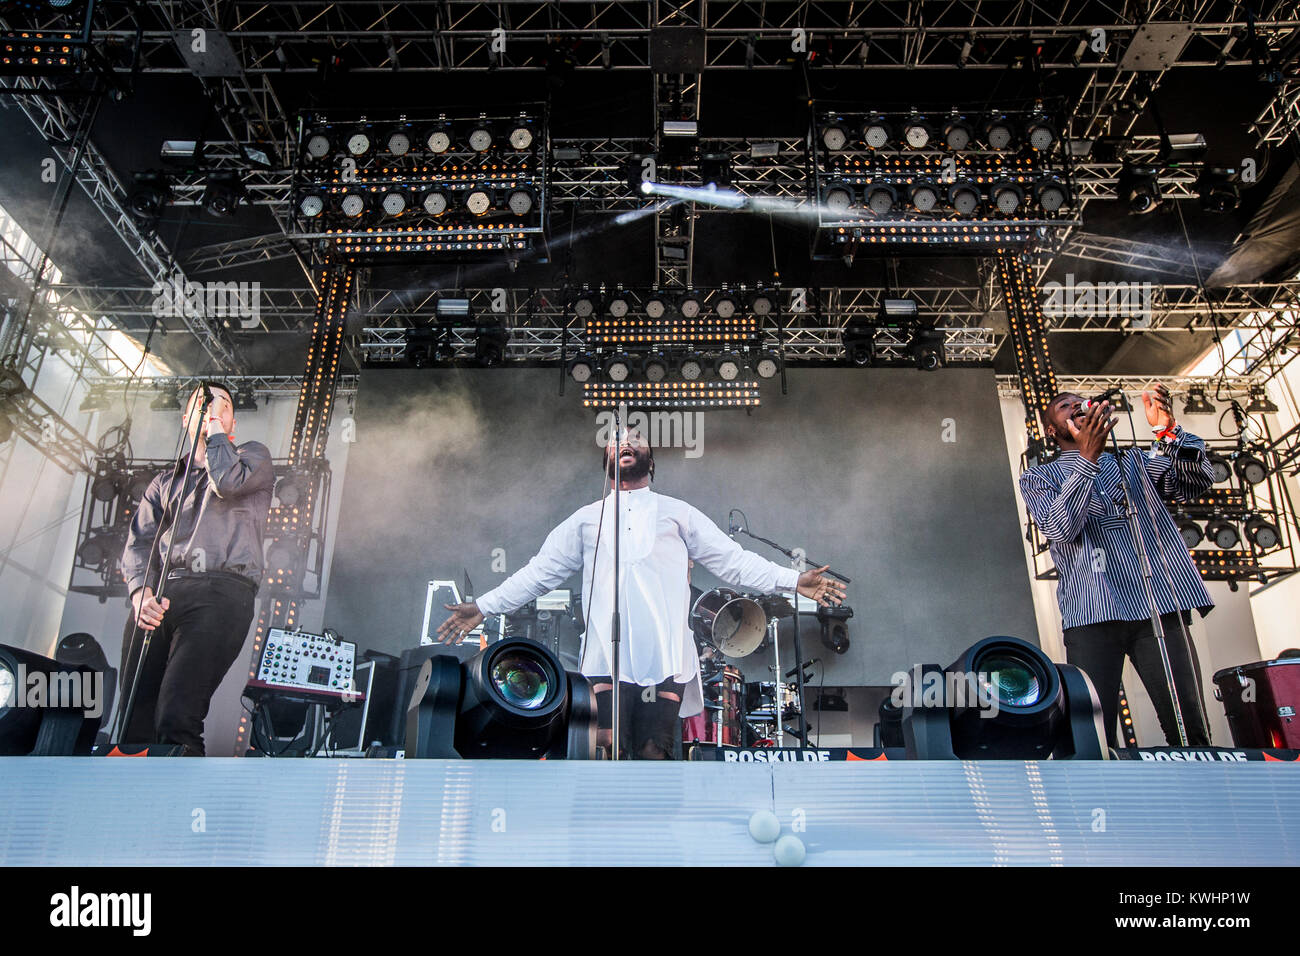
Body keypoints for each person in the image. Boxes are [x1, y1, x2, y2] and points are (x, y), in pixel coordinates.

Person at [438, 429, 847, 759]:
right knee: (606, 748)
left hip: (665, 655)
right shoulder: (585, 520)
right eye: (617, 440)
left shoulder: (678, 513)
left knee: (654, 751)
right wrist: (483, 606)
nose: (627, 442)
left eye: (637, 439)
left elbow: (732, 561)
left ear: (651, 461)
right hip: (604, 653)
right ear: (607, 462)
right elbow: (539, 573)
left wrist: (793, 580)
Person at [1019, 385, 1215, 749]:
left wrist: (1168, 431)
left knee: (1190, 729)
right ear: (1051, 430)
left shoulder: (1135, 462)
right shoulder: (1038, 478)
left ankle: (1201, 799)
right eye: (1065, 406)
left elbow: (1195, 482)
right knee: (1092, 735)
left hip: (1157, 605)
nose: (1077, 406)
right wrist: (1087, 461)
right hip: (1091, 615)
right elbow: (1060, 528)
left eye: (1081, 402)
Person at [118, 381, 274, 755]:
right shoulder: (164, 482)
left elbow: (226, 483)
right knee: (132, 719)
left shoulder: (254, 457)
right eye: (202, 406)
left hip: (222, 591)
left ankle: (179, 805)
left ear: (232, 422)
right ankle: (130, 804)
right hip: (164, 592)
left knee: (177, 716)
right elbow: (139, 542)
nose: (211, 410)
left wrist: (216, 433)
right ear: (186, 419)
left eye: (221, 405)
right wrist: (140, 594)